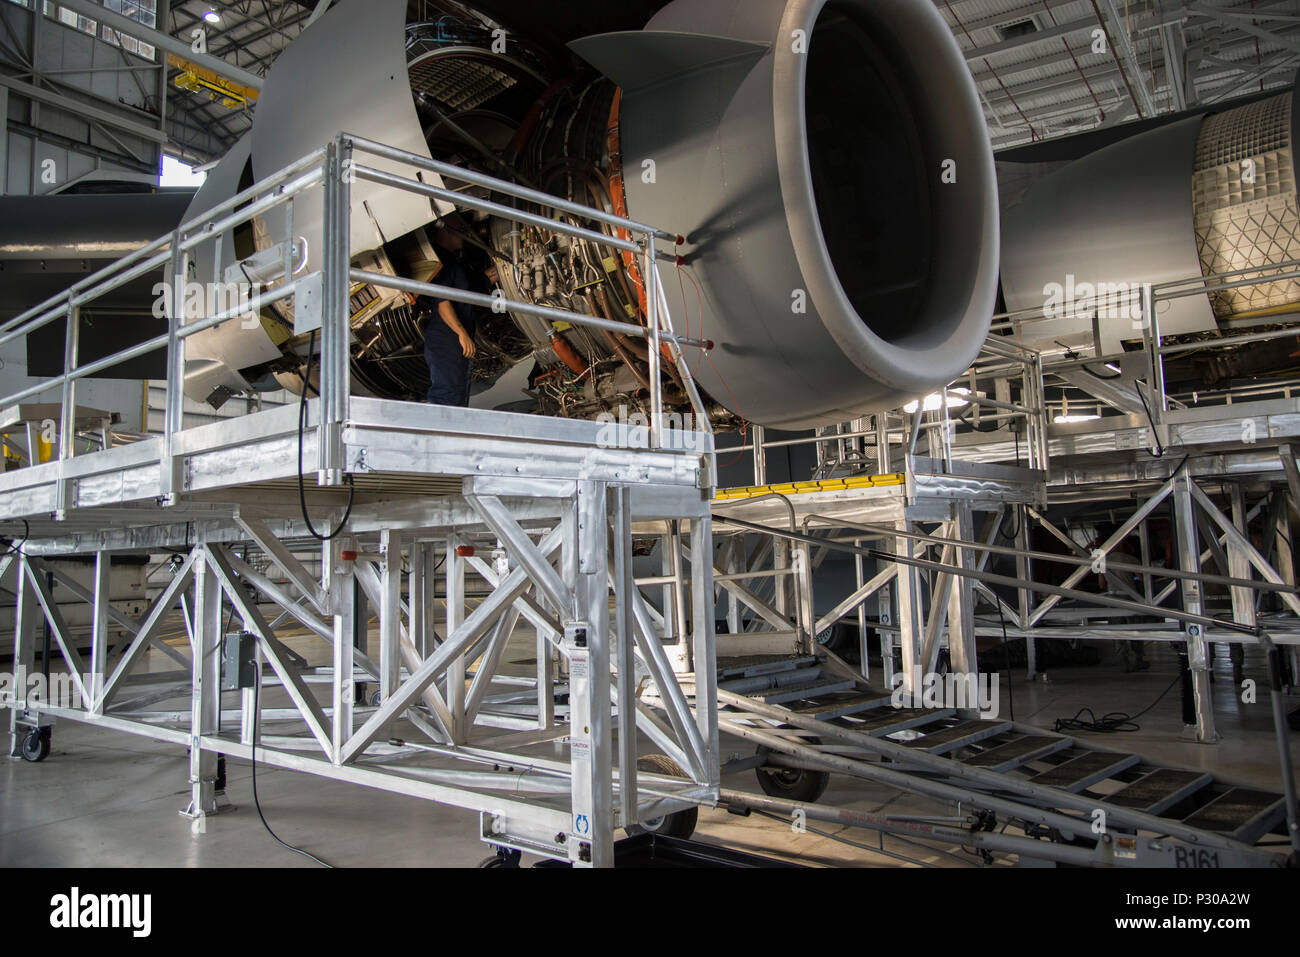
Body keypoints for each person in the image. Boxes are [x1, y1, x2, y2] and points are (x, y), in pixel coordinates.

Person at [421, 221, 493, 407]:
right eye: (460, 229)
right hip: (447, 340)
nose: (464, 234)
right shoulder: (440, 261)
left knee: (458, 401)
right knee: (447, 398)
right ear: (444, 231)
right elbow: (442, 302)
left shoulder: (453, 263)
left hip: (455, 342)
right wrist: (461, 333)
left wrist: (494, 274)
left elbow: (468, 292)